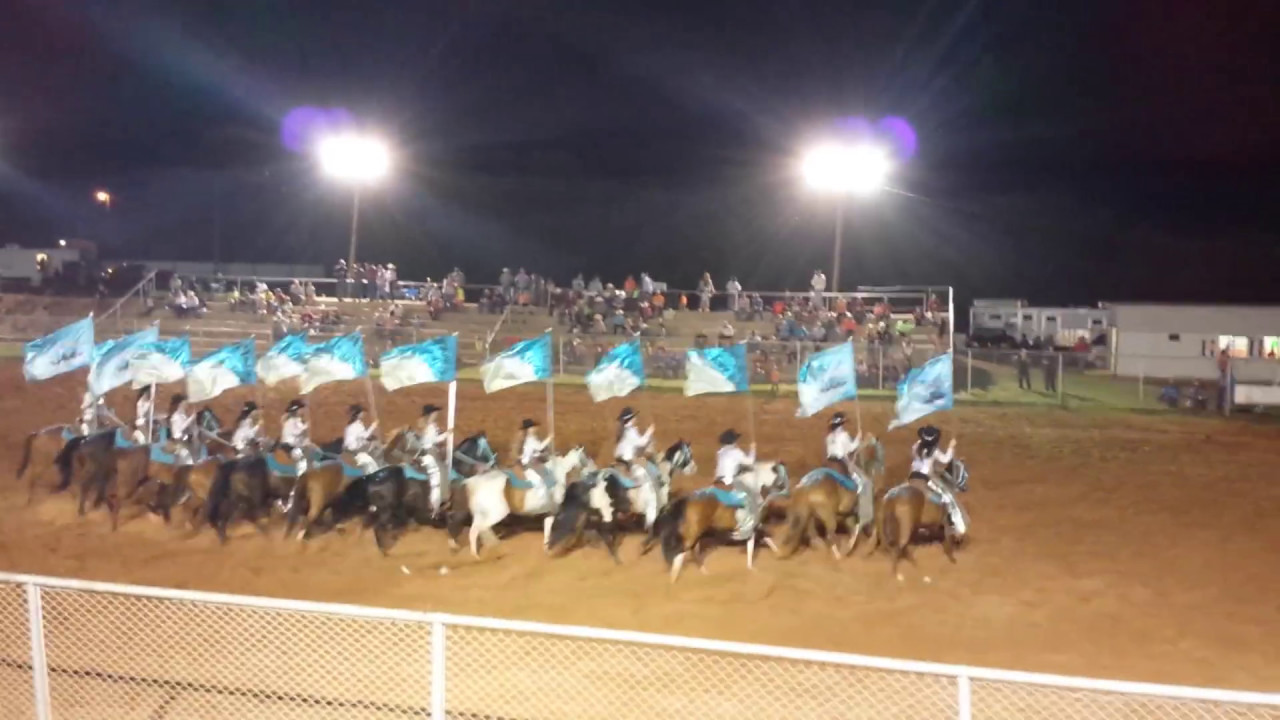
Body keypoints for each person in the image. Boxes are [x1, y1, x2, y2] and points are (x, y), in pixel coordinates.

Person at [908, 425, 965, 533]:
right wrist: (951, 446)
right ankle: (950, 523)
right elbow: (945, 459)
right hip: (925, 479)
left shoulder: (916, 446)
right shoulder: (934, 451)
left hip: (912, 477)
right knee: (946, 498)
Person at [413, 404, 450, 514]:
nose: (437, 414)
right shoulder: (430, 426)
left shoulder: (423, 424)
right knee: (443, 471)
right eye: (435, 412)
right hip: (430, 451)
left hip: (424, 451)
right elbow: (433, 440)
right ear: (431, 414)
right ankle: (444, 498)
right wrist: (447, 434)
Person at [613, 407, 654, 478]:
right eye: (634, 417)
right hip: (627, 460)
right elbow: (642, 443)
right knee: (645, 466)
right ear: (631, 419)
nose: (636, 419)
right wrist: (649, 431)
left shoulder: (623, 430)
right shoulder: (631, 431)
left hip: (618, 459)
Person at [511, 418, 552, 483]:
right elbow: (540, 447)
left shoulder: (530, 438)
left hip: (529, 460)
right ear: (528, 430)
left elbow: (534, 451)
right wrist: (549, 438)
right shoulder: (531, 439)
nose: (534, 429)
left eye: (533, 427)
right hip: (529, 463)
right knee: (543, 476)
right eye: (532, 428)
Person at [343, 405, 380, 474]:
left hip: (352, 448)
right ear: (358, 414)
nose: (363, 414)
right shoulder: (356, 425)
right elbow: (365, 435)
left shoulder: (352, 424)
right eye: (362, 413)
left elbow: (360, 436)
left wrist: (370, 438)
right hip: (355, 449)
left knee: (373, 444)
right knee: (370, 460)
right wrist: (373, 425)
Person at [825, 412, 863, 476]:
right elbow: (850, 448)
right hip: (841, 460)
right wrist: (858, 438)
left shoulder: (829, 437)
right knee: (857, 475)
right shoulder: (844, 435)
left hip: (830, 459)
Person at [280, 399, 311, 475]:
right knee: (301, 458)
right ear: (296, 410)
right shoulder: (291, 421)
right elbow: (297, 432)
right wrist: (306, 426)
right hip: (289, 446)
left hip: (295, 446)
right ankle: (301, 476)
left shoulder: (298, 420)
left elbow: (303, 437)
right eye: (301, 409)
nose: (303, 411)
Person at [167, 394, 195, 465]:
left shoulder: (182, 415)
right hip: (178, 440)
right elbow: (181, 428)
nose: (186, 405)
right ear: (179, 405)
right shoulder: (176, 416)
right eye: (184, 404)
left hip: (183, 439)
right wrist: (191, 419)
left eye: (186, 404)